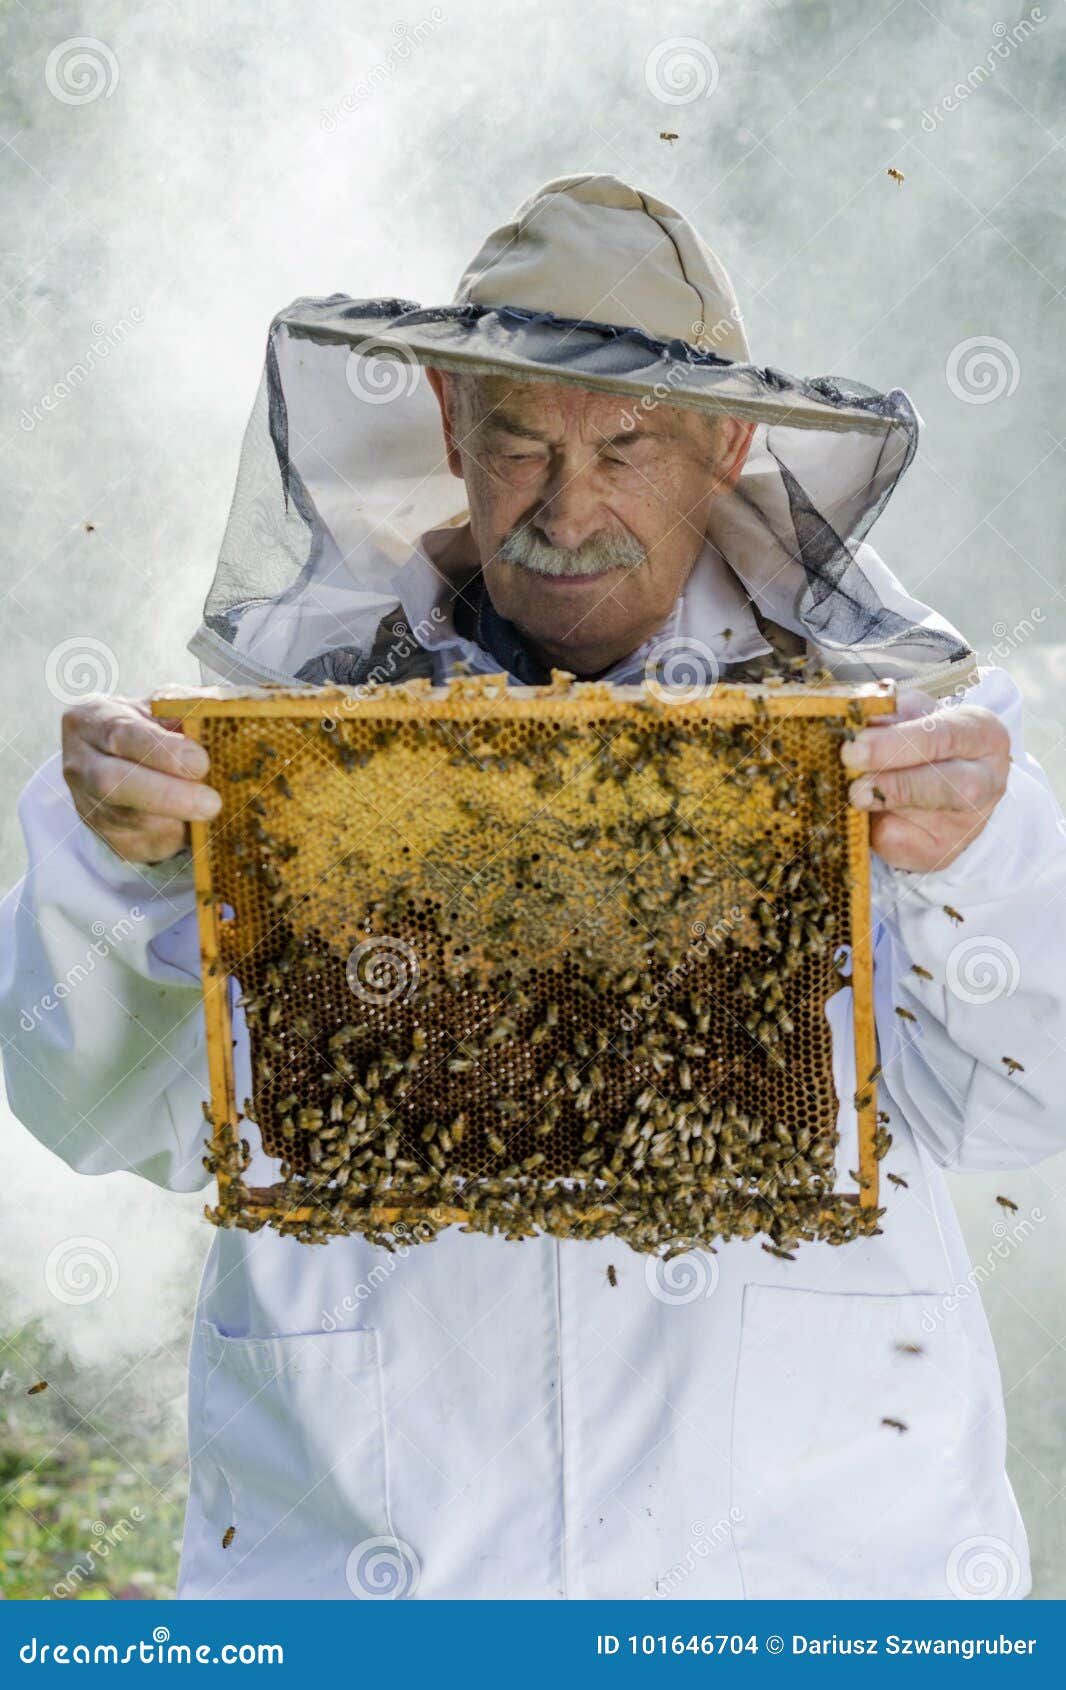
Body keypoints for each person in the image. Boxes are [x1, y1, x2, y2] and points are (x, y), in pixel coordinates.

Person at [3, 174, 1064, 1601]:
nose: (570, 509)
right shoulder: (279, 739)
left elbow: (1030, 1098)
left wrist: (979, 866)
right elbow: (96, 1111)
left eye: (626, 446)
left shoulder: (901, 734)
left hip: (802, 1604)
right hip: (377, 1603)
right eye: (519, 444)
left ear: (727, 444)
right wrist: (114, 873)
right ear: (450, 423)